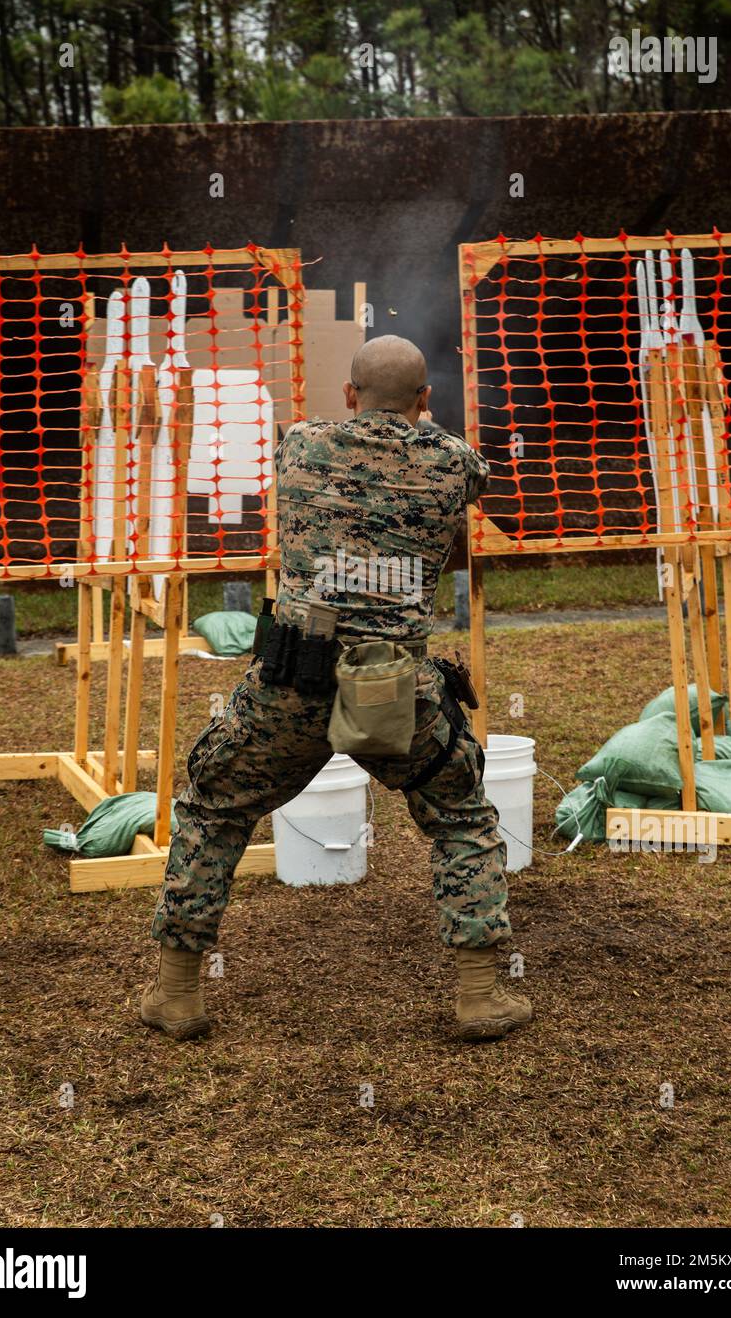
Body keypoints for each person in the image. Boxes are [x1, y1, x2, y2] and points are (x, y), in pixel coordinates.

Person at [140, 334, 532, 1042]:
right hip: (395, 685)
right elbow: (484, 506)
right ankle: (479, 995)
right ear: (425, 401)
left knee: (215, 805)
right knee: (461, 817)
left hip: (293, 679)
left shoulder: (300, 444)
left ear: (348, 396)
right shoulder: (454, 462)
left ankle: (177, 993)